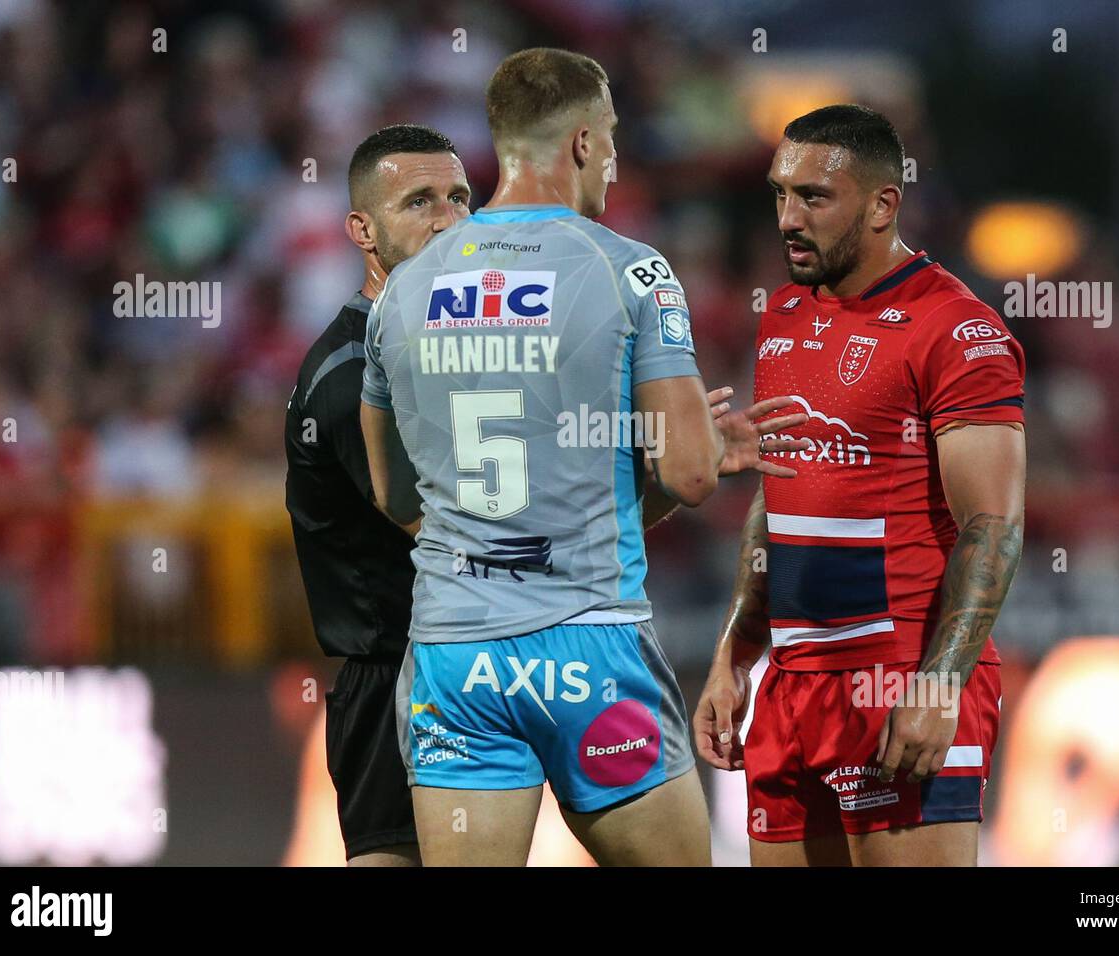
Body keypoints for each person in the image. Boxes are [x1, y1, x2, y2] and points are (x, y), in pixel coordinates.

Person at [360, 48, 806, 866]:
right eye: (609, 137)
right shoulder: (630, 269)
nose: (613, 157)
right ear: (580, 145)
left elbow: (392, 494)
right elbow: (690, 474)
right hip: (588, 650)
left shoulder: (402, 290)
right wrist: (694, 452)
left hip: (455, 659)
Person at [693, 104, 1026, 867]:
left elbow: (993, 527)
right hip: (792, 686)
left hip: (898, 676)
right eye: (780, 193)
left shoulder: (955, 329)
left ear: (884, 204)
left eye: (815, 197)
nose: (787, 217)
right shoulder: (782, 312)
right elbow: (779, 489)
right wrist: (737, 650)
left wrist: (939, 687)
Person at [285, 124, 470, 866]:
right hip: (397, 674)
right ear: (361, 228)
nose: (448, 219)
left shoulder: (457, 346)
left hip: (473, 658)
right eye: (419, 201)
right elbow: (437, 527)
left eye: (459, 196)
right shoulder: (349, 371)